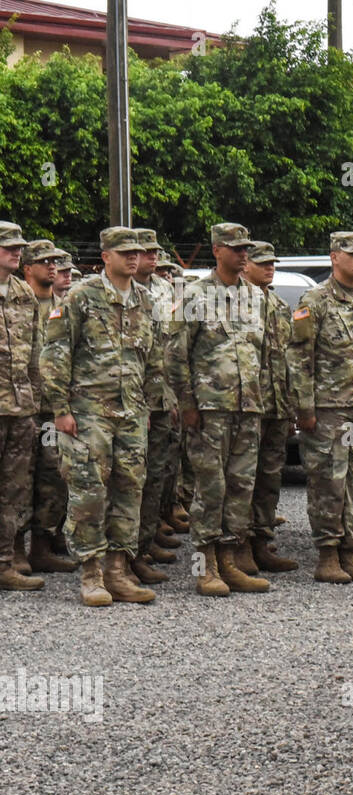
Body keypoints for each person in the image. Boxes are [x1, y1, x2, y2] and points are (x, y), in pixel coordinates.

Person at [41, 227, 164, 605]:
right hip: (89, 412)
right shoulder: (81, 297)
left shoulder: (144, 300)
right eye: (124, 251)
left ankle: (118, 570)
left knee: (130, 490)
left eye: (137, 251)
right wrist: (60, 410)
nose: (133, 257)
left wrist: (148, 405)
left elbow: (154, 358)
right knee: (88, 492)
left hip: (131, 412)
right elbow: (55, 355)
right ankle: (91, 574)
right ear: (105, 255)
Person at [169, 223, 269, 595]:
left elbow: (261, 353)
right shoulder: (194, 295)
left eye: (246, 248)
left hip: (247, 407)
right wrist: (187, 404)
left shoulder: (255, 296)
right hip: (209, 409)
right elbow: (176, 355)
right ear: (217, 250)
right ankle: (205, 566)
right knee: (210, 487)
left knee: (240, 487)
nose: (243, 254)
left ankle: (229, 560)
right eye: (236, 248)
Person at [287, 231, 353, 584]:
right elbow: (300, 358)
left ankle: (350, 551)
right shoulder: (314, 301)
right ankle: (327, 555)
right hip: (329, 407)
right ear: (334, 257)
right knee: (328, 481)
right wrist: (304, 407)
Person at [18, 239, 77, 576]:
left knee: (53, 476)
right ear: (28, 268)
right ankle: (14, 551)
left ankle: (43, 546)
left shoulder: (63, 306)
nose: (53, 267)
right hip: (21, 407)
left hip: (51, 409)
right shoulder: (19, 303)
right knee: (18, 480)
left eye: (55, 261)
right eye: (44, 261)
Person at [130, 227, 182, 586]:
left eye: (153, 252)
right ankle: (123, 555)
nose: (150, 257)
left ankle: (144, 546)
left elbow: (172, 346)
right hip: (130, 401)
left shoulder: (164, 290)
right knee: (128, 480)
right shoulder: (112, 294)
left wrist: (174, 394)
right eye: (144, 251)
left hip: (162, 395)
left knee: (157, 476)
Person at [243, 242, 298, 572]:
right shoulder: (234, 303)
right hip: (247, 404)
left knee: (269, 478)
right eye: (262, 263)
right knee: (242, 479)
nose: (269, 268)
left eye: (272, 263)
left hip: (276, 405)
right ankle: (239, 547)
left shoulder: (277, 305)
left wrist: (290, 405)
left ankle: (261, 541)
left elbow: (287, 358)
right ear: (246, 265)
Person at [0, 222, 45, 591]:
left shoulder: (23, 295)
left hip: (19, 408)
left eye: (18, 247)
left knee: (14, 488)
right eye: (8, 247)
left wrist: (36, 401)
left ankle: (3, 563)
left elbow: (34, 355)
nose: (17, 252)